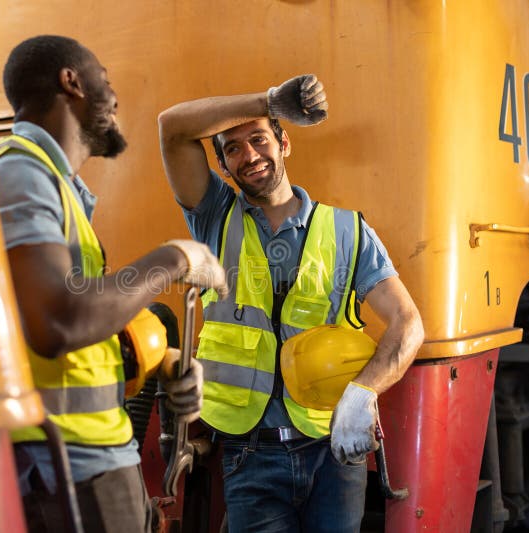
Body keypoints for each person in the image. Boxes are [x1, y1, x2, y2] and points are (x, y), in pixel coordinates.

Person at [157, 74, 424, 532]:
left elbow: (408, 323)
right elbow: (172, 127)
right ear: (223, 166)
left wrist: (364, 393)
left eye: (259, 139)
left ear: (284, 143)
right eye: (233, 149)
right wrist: (269, 102)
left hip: (333, 452)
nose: (249, 156)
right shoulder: (215, 218)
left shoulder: (348, 232)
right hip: (250, 454)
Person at [0, 35, 227, 533]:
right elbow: (58, 321)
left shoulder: (55, 185)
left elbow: (72, 321)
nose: (114, 98)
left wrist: (161, 360)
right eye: (105, 81)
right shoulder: (19, 172)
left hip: (91, 460)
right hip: (63, 470)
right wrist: (174, 257)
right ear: (71, 82)